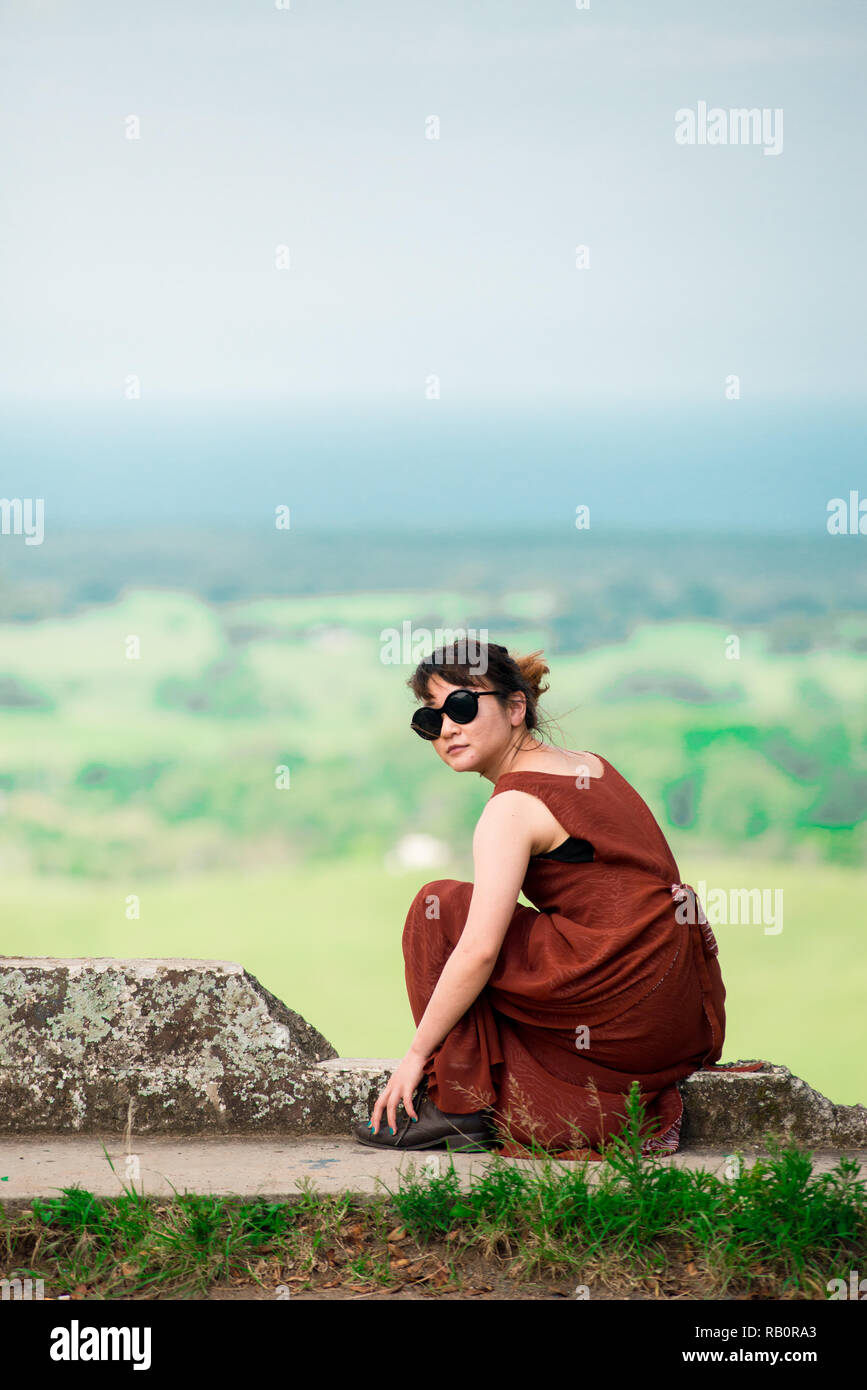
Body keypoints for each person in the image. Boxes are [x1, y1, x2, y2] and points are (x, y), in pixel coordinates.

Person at [353, 640, 745, 1158]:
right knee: (481, 922)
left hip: (620, 1004)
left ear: (516, 708)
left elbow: (478, 951)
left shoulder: (512, 807)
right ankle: (478, 1089)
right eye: (430, 720)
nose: (447, 728)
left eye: (463, 707)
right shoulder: (592, 765)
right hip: (672, 1020)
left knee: (441, 906)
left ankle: (457, 1104)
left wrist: (415, 1057)